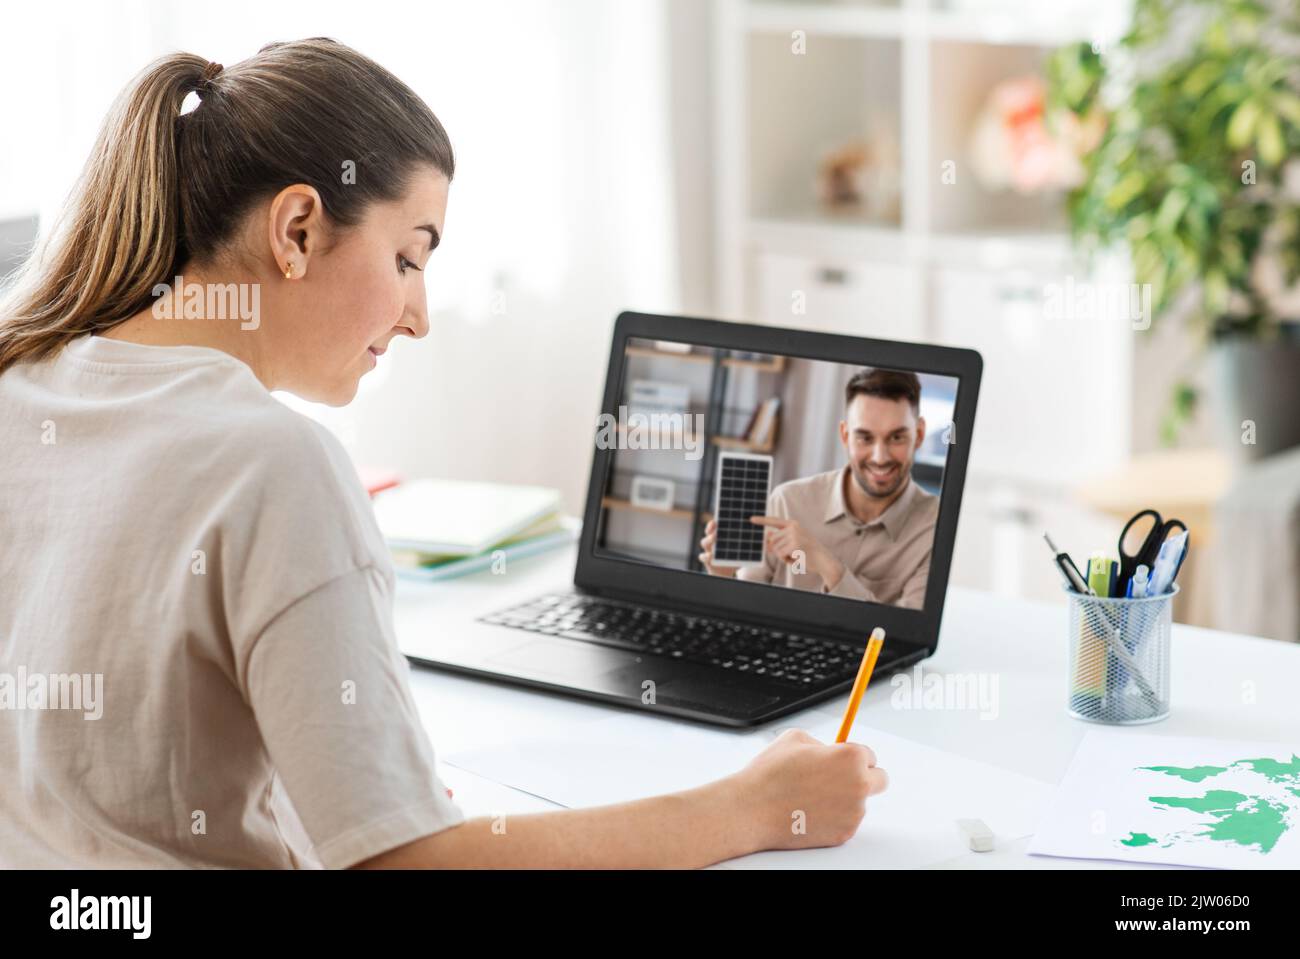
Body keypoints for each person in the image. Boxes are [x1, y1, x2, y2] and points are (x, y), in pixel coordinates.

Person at [0, 39, 886, 869]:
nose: (418, 317)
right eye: (408, 257)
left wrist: (366, 799)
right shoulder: (271, 465)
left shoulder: (20, 381)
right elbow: (404, 867)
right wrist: (756, 806)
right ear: (297, 229)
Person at [700, 368, 938, 609]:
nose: (880, 457)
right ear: (845, 436)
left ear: (919, 435)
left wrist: (828, 566)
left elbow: (905, 629)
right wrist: (723, 577)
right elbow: (745, 607)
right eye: (865, 438)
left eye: (896, 438)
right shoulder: (787, 501)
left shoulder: (935, 530)